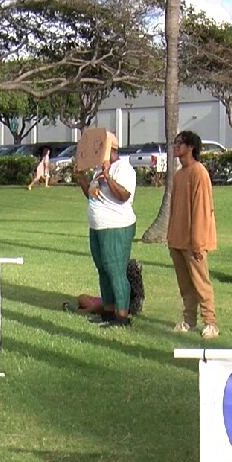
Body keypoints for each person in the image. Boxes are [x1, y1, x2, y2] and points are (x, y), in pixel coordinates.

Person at [75, 130, 136, 327]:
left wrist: (108, 176)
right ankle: (108, 311)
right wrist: (80, 178)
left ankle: (122, 314)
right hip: (97, 226)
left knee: (115, 270)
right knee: (102, 269)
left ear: (111, 149)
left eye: (100, 147)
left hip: (116, 226)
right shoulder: (97, 170)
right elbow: (92, 195)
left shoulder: (123, 169)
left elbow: (124, 195)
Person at [167, 130, 219, 339]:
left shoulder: (199, 173)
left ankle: (210, 323)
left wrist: (198, 243)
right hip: (177, 240)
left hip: (194, 241)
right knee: (185, 285)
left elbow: (202, 210)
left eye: (180, 143)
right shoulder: (179, 175)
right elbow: (174, 209)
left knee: (201, 283)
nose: (176, 147)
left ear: (191, 147)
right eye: (175, 143)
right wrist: (171, 237)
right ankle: (189, 319)